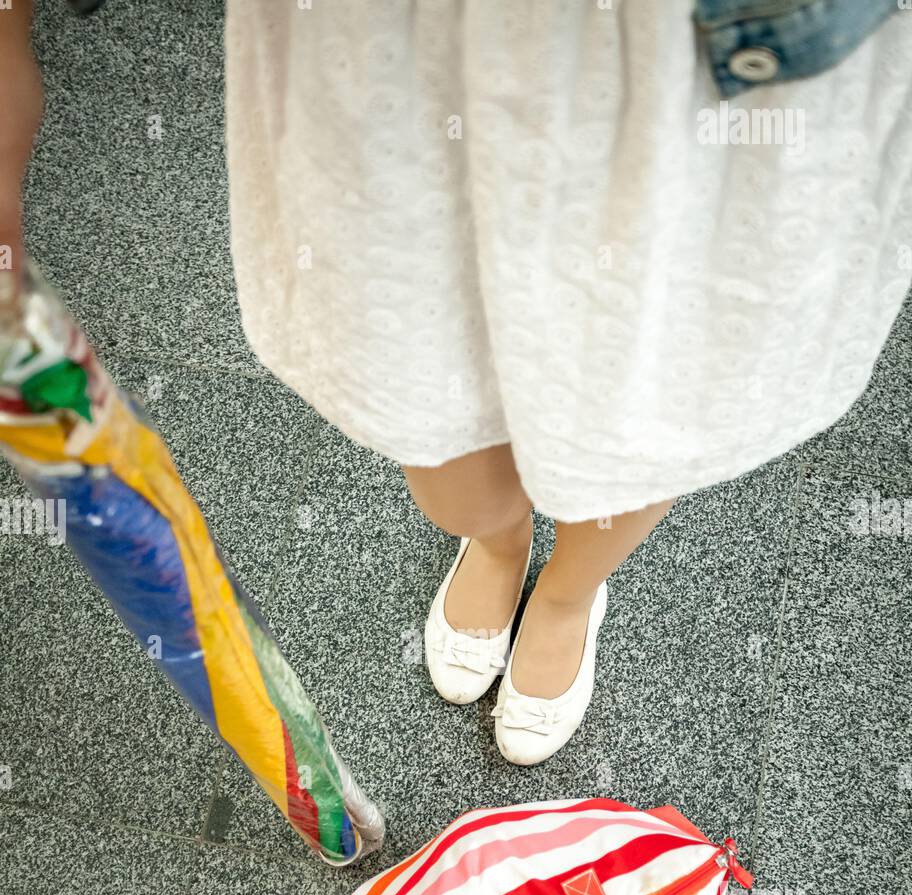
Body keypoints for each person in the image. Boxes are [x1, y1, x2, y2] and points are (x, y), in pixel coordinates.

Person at [4, 0, 912, 766]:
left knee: (643, 397)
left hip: (694, 66)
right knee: (433, 388)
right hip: (413, 48)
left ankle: (566, 595)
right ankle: (496, 546)